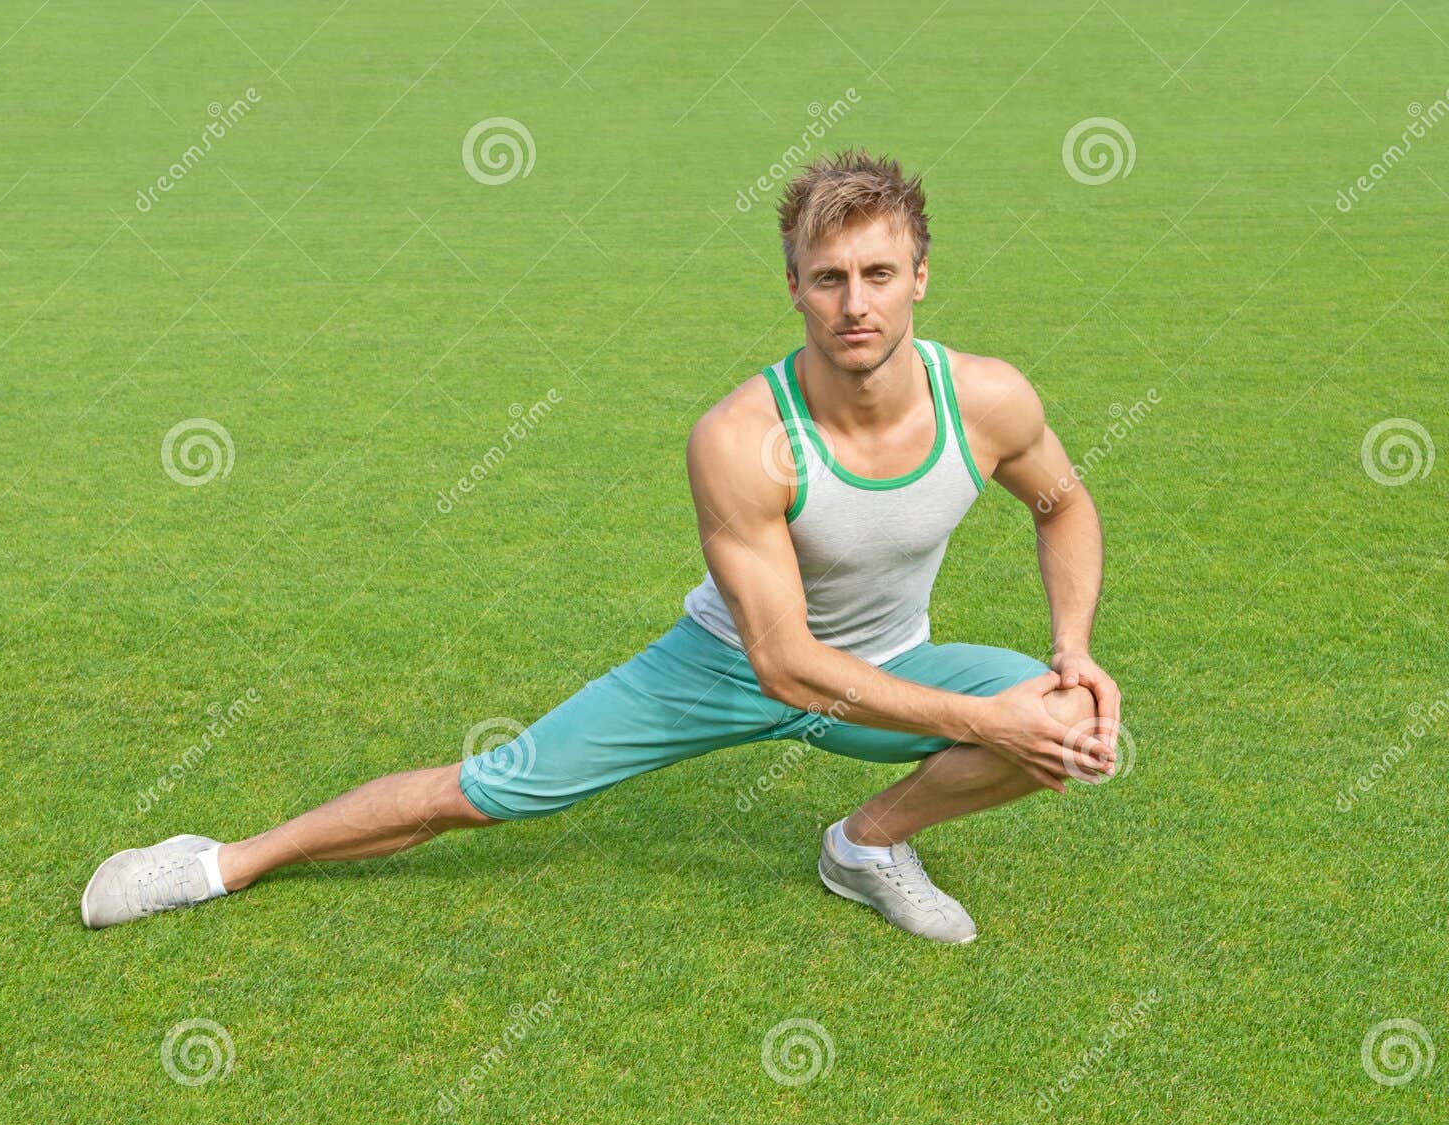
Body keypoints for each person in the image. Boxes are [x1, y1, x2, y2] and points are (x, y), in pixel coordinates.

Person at [82, 148, 1122, 944]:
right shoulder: (739, 440)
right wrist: (983, 715)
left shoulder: (987, 398)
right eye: (827, 277)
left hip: (888, 663)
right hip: (731, 666)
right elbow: (785, 665)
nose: (856, 303)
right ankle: (224, 861)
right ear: (793, 287)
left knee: (1071, 725)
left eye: (879, 273)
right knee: (485, 793)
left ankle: (864, 844)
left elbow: (1061, 504)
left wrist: (1069, 648)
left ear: (921, 278)